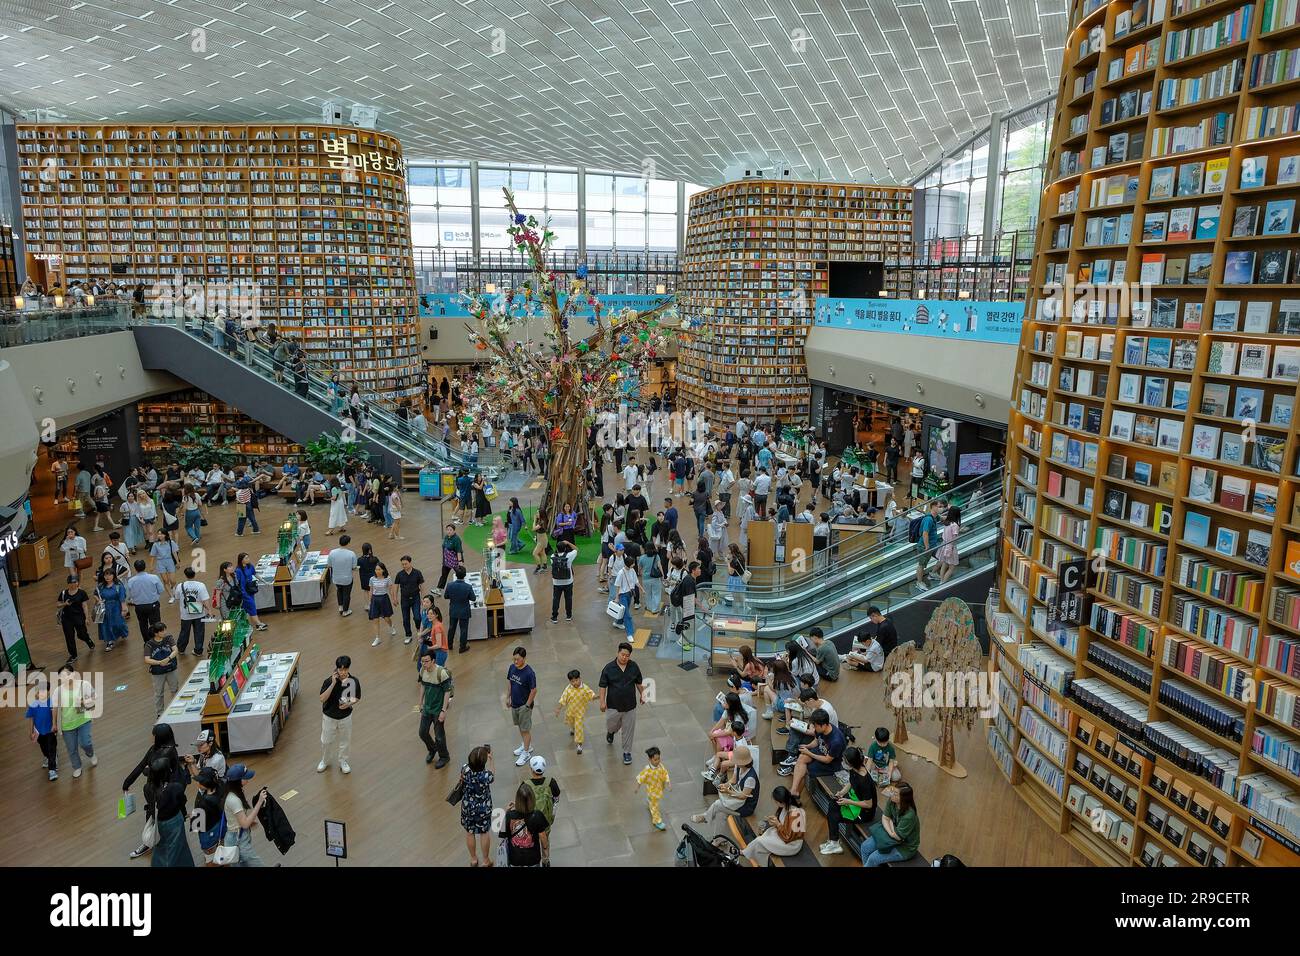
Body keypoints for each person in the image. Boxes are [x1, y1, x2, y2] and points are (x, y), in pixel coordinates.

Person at [819, 746, 878, 855]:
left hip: (864, 813)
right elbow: (851, 782)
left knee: (834, 817)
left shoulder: (864, 781)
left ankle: (835, 844)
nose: (842, 762)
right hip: (855, 801)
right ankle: (834, 841)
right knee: (833, 803)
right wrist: (841, 793)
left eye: (844, 760)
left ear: (851, 763)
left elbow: (869, 804)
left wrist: (848, 801)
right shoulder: (855, 769)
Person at [690, 744, 759, 832]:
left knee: (717, 804)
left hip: (745, 807)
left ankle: (705, 817)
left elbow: (743, 796)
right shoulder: (739, 767)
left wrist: (728, 791)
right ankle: (719, 839)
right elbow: (733, 780)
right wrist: (726, 784)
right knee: (720, 814)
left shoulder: (750, 778)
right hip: (737, 800)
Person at [599, 642, 645, 766]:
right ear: (618, 653)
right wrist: (602, 702)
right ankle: (611, 732)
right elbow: (603, 686)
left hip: (630, 705)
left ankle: (627, 752)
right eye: (622, 654)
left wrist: (642, 694)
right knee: (612, 724)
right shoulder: (608, 668)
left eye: (627, 655)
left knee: (628, 729)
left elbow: (639, 682)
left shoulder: (634, 666)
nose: (624, 657)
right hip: (613, 705)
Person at [787, 708, 846, 797]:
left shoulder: (836, 741)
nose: (814, 728)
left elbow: (827, 760)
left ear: (824, 725)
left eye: (815, 726)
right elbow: (816, 741)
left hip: (830, 765)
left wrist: (809, 753)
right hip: (821, 752)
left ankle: (796, 797)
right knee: (802, 757)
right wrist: (807, 746)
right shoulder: (821, 729)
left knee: (805, 769)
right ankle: (794, 790)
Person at [860, 782, 920, 866]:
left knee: (873, 858)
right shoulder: (892, 801)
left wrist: (890, 823)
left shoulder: (909, 816)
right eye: (893, 791)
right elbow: (885, 817)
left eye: (895, 794)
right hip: (890, 835)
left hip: (904, 847)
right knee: (865, 847)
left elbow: (898, 837)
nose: (891, 794)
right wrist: (891, 831)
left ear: (903, 799)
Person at [318, 655, 360, 775]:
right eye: (340, 670)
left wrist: (348, 704)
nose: (342, 672)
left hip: (345, 717)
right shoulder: (329, 681)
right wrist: (332, 684)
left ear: (348, 669)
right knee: (326, 741)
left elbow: (356, 697)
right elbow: (322, 698)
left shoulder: (353, 681)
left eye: (345, 669)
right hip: (329, 717)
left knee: (345, 741)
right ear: (336, 669)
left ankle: (343, 761)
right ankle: (325, 760)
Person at [744, 786, 806, 867]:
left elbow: (788, 837)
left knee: (760, 841)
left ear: (780, 802)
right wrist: (776, 821)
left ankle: (744, 853)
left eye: (776, 801)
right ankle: (751, 856)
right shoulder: (786, 806)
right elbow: (784, 823)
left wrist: (777, 824)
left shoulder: (795, 814)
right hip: (784, 835)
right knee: (763, 841)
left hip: (791, 844)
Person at [54, 665, 97, 778]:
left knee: (85, 743)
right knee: (71, 748)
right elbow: (54, 708)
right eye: (62, 676)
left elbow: (94, 697)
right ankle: (77, 767)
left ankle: (91, 753)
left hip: (83, 720)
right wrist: (54, 724)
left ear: (73, 674)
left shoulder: (84, 684)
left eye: (68, 674)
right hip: (67, 725)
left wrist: (84, 700)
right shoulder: (58, 691)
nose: (66, 677)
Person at [459, 745, 496, 867]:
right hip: (483, 809)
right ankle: (486, 860)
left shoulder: (465, 769)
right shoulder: (486, 776)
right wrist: (491, 759)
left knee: (470, 833)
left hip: (468, 807)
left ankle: (473, 859)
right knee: (484, 833)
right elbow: (492, 774)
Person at [498, 781, 549, 868]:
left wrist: (505, 812)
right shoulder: (537, 815)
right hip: (532, 858)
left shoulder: (509, 815)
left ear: (517, 800)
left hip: (514, 858)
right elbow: (543, 837)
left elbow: (502, 834)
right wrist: (545, 849)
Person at [417, 651, 454, 768]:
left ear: (433, 660)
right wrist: (420, 703)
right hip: (427, 708)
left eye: (426, 661)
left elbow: (447, 691)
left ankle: (444, 756)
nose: (424, 664)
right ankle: (433, 749)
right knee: (422, 732)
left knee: (439, 735)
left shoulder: (441, 673)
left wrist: (443, 711)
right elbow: (423, 685)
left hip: (438, 709)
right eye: (422, 661)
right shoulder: (422, 671)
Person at [524, 755, 561, 862]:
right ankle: (545, 859)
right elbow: (556, 798)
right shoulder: (551, 782)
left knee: (531, 838)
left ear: (531, 769)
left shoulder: (526, 784)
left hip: (530, 820)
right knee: (545, 838)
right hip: (546, 819)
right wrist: (552, 815)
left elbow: (521, 802)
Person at [507, 646, 538, 767]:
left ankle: (526, 753)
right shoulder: (512, 668)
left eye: (518, 659)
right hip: (514, 703)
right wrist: (508, 697)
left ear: (524, 658)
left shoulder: (529, 673)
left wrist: (527, 705)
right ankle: (527, 746)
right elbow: (510, 681)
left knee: (525, 730)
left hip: (524, 706)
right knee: (520, 726)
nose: (515, 662)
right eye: (514, 659)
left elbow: (534, 690)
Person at [555, 668, 596, 755]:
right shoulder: (568, 689)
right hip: (570, 711)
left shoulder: (585, 688)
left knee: (579, 727)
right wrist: (559, 708)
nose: (575, 683)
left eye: (576, 680)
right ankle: (572, 728)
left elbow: (591, 695)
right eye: (572, 681)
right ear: (570, 682)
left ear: (580, 678)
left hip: (580, 712)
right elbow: (563, 698)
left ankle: (579, 745)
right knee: (571, 722)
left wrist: (599, 697)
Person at [26, 677, 59, 781]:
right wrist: (30, 732)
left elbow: (54, 713)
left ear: (48, 692)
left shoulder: (51, 702)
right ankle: (48, 757)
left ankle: (52, 770)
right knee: (44, 748)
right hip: (39, 733)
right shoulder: (33, 704)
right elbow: (31, 719)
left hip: (50, 731)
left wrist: (54, 725)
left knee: (51, 748)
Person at [144, 622, 180, 718]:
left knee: (175, 690)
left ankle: (175, 708)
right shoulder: (149, 644)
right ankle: (160, 713)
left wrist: (167, 659)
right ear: (156, 633)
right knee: (159, 693)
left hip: (171, 669)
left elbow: (175, 650)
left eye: (165, 629)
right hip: (158, 673)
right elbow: (147, 659)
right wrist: (160, 662)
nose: (165, 632)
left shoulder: (169, 638)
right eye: (162, 631)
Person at [57, 574, 95, 663]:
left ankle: (88, 640)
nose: (73, 584)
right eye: (71, 582)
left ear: (78, 583)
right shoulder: (63, 593)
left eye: (75, 582)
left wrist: (86, 618)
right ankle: (73, 655)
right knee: (69, 636)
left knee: (81, 634)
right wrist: (64, 604)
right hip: (66, 618)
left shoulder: (82, 593)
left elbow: (84, 606)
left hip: (79, 617)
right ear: (68, 584)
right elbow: (58, 604)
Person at [174, 566, 210, 656]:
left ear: (185, 575)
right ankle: (198, 650)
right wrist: (209, 610)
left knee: (184, 632)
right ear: (194, 574)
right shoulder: (201, 585)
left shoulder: (180, 586)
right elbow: (205, 599)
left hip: (185, 614)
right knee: (199, 632)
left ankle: (181, 649)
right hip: (199, 613)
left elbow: (177, 597)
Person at [635, 746, 672, 831]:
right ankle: (657, 821)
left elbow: (665, 773)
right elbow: (640, 778)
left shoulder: (660, 766)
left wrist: (668, 783)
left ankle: (649, 800)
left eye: (659, 759)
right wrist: (637, 787)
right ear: (650, 759)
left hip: (659, 788)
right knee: (655, 807)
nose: (657, 761)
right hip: (652, 791)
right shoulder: (647, 770)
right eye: (655, 760)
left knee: (653, 801)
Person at [93, 567, 129, 652]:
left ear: (114, 575)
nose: (107, 577)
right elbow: (95, 594)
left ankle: (123, 632)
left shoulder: (118, 585)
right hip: (105, 607)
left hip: (116, 606)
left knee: (118, 624)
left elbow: (122, 598)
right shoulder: (101, 586)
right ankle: (109, 642)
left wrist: (124, 608)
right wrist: (98, 600)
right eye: (106, 575)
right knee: (106, 625)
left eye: (110, 574)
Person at [393, 555, 425, 644]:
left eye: (405, 564)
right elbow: (396, 586)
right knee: (405, 618)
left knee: (417, 617)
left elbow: (421, 586)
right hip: (404, 599)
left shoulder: (417, 573)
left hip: (415, 598)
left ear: (410, 563)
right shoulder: (399, 574)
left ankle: (419, 631)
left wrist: (423, 598)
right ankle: (408, 635)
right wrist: (395, 598)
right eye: (402, 564)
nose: (404, 566)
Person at [233, 552, 269, 631]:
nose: (248, 559)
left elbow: (255, 574)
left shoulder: (250, 566)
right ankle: (258, 624)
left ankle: (243, 624)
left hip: (250, 591)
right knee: (252, 606)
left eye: (248, 557)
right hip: (244, 592)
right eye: (246, 558)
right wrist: (243, 593)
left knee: (245, 608)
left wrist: (264, 581)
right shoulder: (238, 571)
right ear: (241, 560)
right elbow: (238, 583)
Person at [444, 565, 475, 653]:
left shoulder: (450, 585)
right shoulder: (468, 587)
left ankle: (449, 645)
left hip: (453, 609)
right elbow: (473, 598)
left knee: (451, 628)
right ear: (465, 575)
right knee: (463, 629)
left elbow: (446, 596)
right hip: (464, 610)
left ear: (456, 574)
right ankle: (462, 647)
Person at [327, 534, 357, 617]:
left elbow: (329, 565)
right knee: (346, 594)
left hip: (336, 578)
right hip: (347, 579)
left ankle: (340, 607)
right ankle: (345, 611)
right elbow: (354, 567)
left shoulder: (332, 552)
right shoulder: (351, 554)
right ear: (348, 543)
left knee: (339, 591)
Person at [915, 498, 941, 590]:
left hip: (933, 545)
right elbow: (925, 533)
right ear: (933, 507)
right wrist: (927, 546)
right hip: (925, 546)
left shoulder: (935, 517)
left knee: (942, 557)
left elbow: (943, 518)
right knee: (922, 564)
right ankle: (919, 582)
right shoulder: (929, 519)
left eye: (942, 507)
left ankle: (933, 573)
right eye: (939, 507)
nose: (941, 508)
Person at [549, 539, 577, 623]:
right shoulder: (569, 556)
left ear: (557, 549)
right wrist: (568, 542)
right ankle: (568, 616)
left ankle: (554, 617)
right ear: (565, 549)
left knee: (556, 599)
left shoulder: (552, 557)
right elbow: (576, 549)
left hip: (556, 582)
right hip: (568, 581)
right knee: (568, 598)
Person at [367, 561, 395, 646]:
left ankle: (391, 626)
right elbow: (371, 590)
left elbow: (390, 589)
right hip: (375, 599)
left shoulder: (388, 578)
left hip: (384, 599)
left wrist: (394, 599)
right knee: (375, 619)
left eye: (379, 569)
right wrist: (369, 601)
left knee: (386, 618)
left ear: (383, 570)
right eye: (376, 569)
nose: (377, 571)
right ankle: (377, 638)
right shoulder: (372, 579)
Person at [612, 554, 640, 640]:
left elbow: (636, 581)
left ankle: (618, 622)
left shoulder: (632, 571)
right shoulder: (621, 573)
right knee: (627, 615)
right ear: (630, 564)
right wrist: (617, 597)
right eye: (633, 563)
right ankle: (630, 634)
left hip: (629, 594)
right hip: (622, 595)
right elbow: (617, 585)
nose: (634, 564)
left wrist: (641, 589)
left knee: (624, 611)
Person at [937, 504, 962, 583]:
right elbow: (955, 537)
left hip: (944, 545)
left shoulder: (947, 522)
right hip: (951, 547)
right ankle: (944, 582)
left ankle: (941, 580)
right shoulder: (955, 525)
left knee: (944, 564)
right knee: (952, 567)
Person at [436, 523, 464, 593]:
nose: (449, 531)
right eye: (447, 530)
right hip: (447, 561)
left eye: (450, 530)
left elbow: (459, 551)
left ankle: (463, 588)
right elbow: (444, 547)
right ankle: (438, 589)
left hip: (455, 561)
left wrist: (460, 561)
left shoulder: (456, 539)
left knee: (460, 575)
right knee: (444, 575)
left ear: (454, 531)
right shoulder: (446, 537)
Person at [531, 509, 550, 574]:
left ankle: (538, 567)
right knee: (542, 552)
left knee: (535, 553)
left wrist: (534, 520)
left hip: (542, 539)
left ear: (541, 514)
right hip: (541, 538)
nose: (536, 514)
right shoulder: (541, 520)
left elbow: (533, 529)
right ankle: (544, 566)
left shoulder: (542, 521)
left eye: (537, 513)